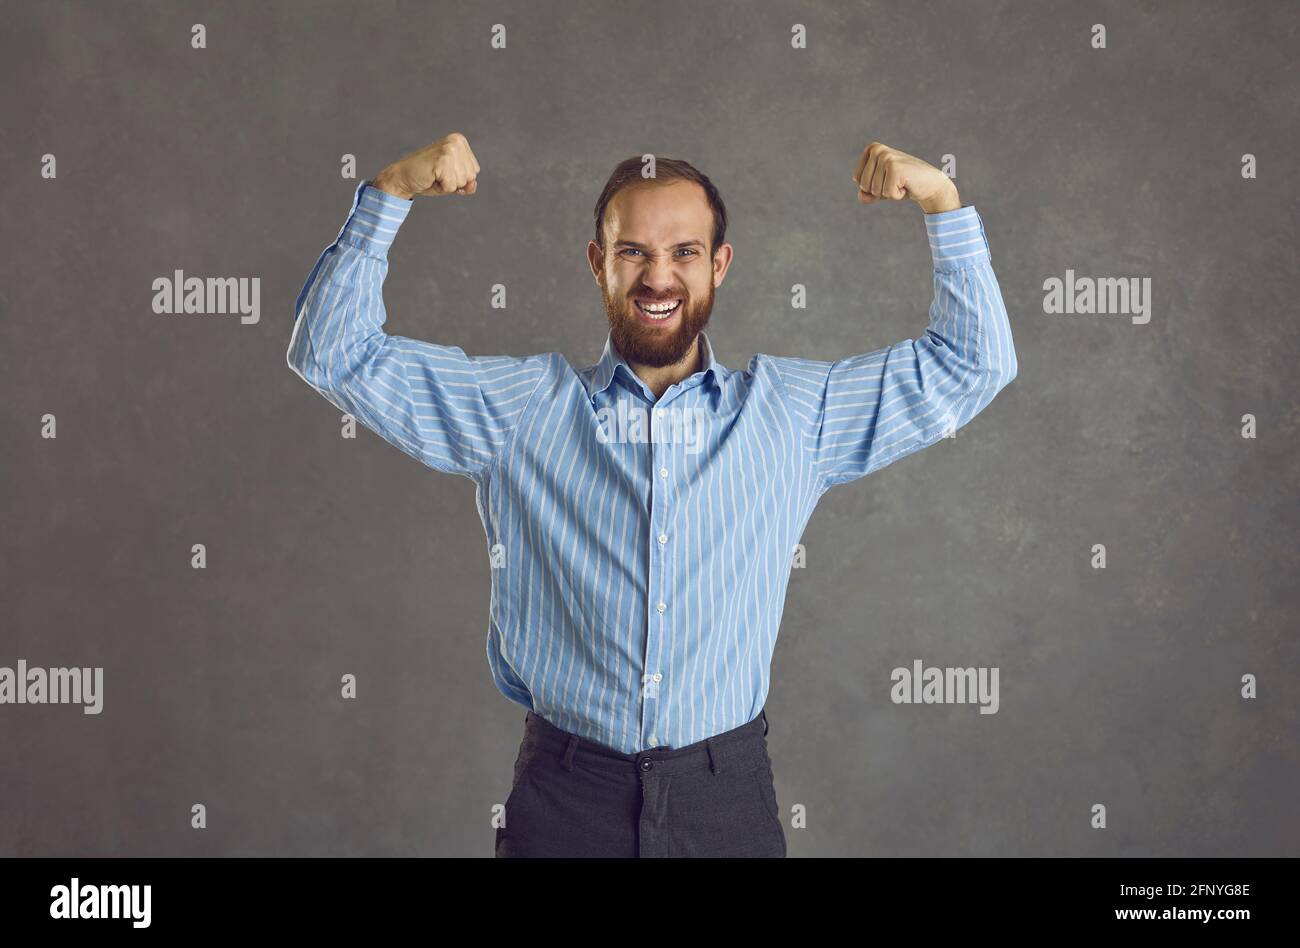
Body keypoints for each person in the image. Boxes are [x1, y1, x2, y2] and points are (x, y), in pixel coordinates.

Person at [286, 133, 1018, 857]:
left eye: (684, 252)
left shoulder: (793, 415)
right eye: (633, 251)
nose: (657, 277)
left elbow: (973, 364)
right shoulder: (518, 412)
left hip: (724, 800)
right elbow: (332, 350)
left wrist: (943, 205)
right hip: (565, 801)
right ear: (599, 264)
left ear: (719, 265)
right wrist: (389, 194)